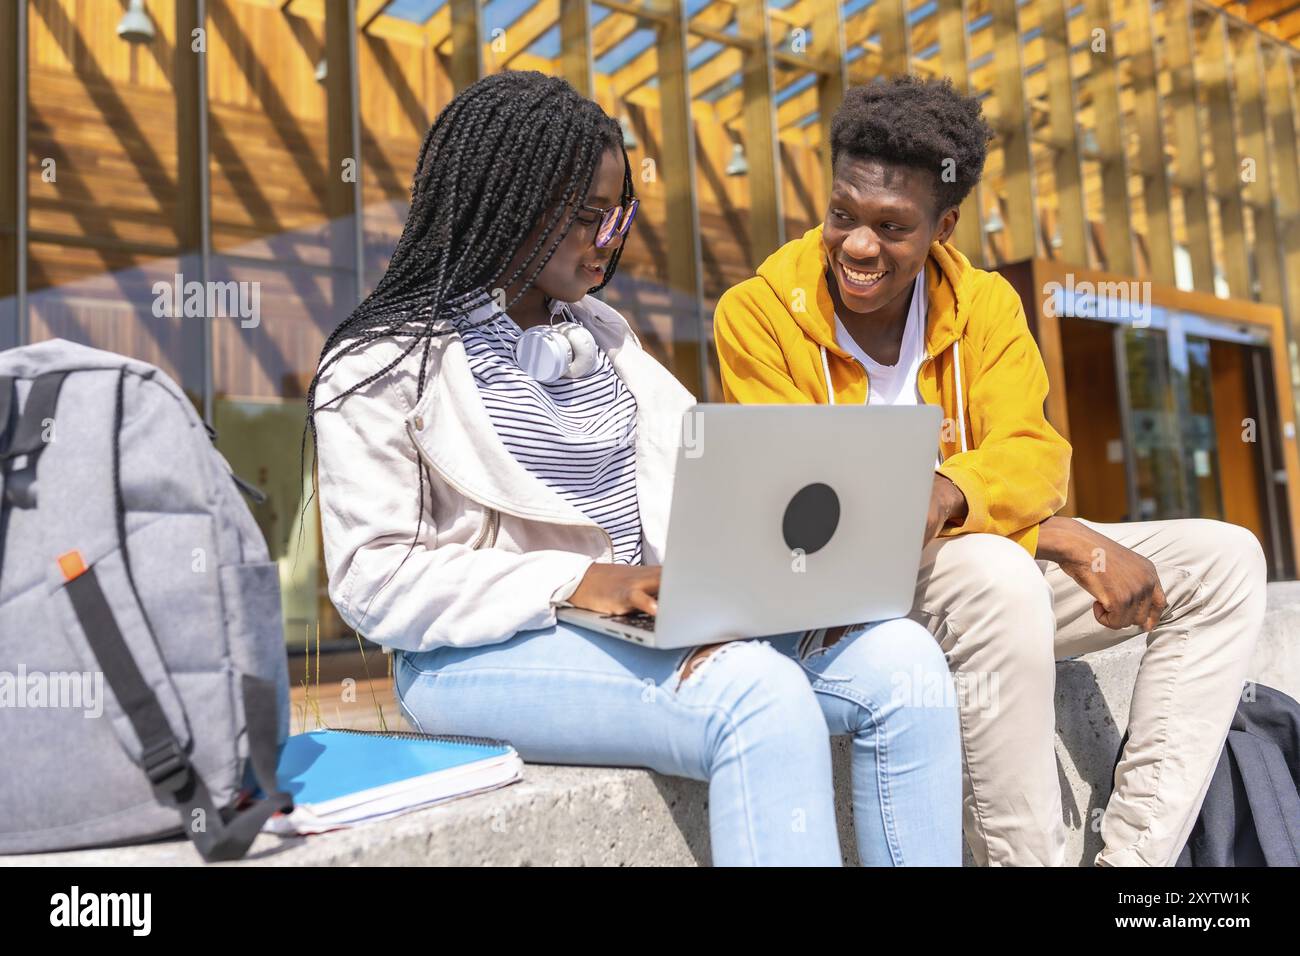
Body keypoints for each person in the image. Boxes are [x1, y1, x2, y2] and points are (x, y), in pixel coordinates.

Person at [306, 71, 962, 866]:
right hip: (480, 654)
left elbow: (714, 475)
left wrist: (773, 578)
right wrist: (574, 583)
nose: (610, 236)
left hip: (651, 624)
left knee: (904, 662)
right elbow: (375, 579)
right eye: (589, 216)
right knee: (760, 698)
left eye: (619, 213)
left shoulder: (606, 340)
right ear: (503, 200)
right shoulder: (383, 364)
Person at [713, 74, 1266, 867]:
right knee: (995, 572)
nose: (858, 246)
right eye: (842, 215)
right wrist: (1059, 538)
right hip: (837, 599)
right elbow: (810, 502)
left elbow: (1038, 458)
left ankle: (1134, 863)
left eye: (891, 226)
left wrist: (957, 493)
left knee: (1226, 562)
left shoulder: (985, 307)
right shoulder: (758, 313)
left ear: (945, 225)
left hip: (967, 570)